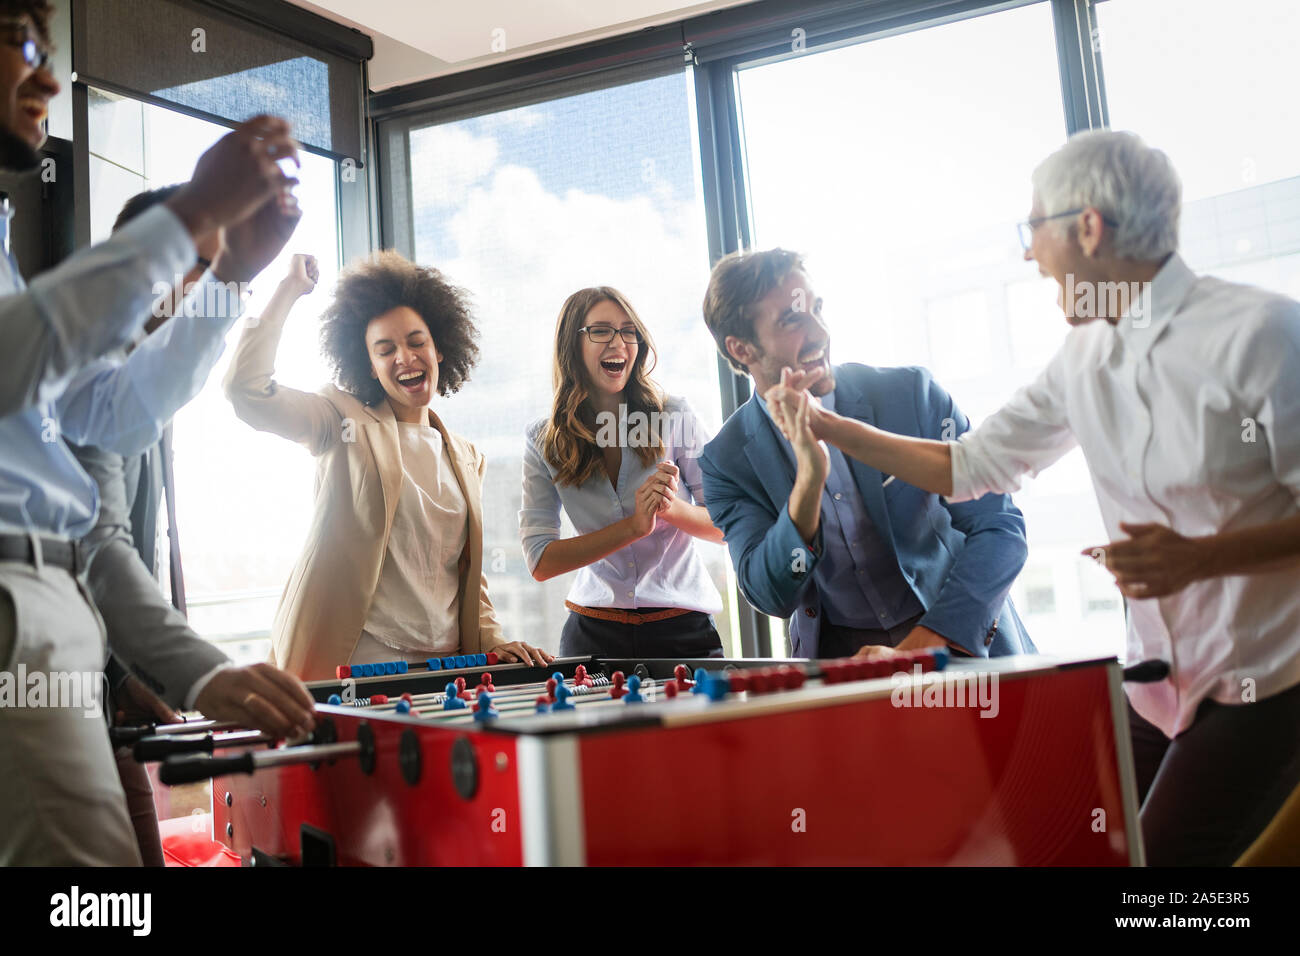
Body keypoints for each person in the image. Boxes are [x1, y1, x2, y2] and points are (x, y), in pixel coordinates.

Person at [764, 129, 1300, 865]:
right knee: (1063, 845)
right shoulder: (1085, 356)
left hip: (1269, 682)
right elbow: (973, 465)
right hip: (1157, 681)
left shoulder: (1260, 333)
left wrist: (1199, 559)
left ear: (1088, 227)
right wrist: (827, 427)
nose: (1026, 252)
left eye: (1034, 228)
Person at [0, 0, 316, 865]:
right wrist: (186, 221)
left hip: (51, 613)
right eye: (19, 39)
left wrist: (232, 274)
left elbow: (108, 413)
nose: (49, 76)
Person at [67, 184, 299, 865]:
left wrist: (130, 674)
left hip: (97, 691)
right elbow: (94, 551)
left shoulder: (142, 387)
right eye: (198, 269)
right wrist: (203, 676)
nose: (204, 293)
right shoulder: (83, 368)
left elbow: (123, 545)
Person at [224, 250, 550, 679]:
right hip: (359, 663)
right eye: (385, 350)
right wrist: (287, 290)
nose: (405, 357)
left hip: (445, 669)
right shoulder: (340, 420)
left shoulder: (467, 457)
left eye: (417, 342)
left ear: (440, 350)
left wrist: (495, 642)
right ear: (371, 369)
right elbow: (246, 391)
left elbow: (464, 575)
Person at [697, 249, 1033, 661]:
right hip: (845, 670)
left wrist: (926, 643)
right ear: (741, 348)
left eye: (817, 309)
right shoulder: (726, 461)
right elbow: (771, 594)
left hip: (959, 643)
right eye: (792, 320)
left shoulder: (912, 394)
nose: (819, 333)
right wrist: (807, 486)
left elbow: (998, 526)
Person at [520, 287, 725, 658]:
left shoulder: (675, 416)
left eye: (628, 331)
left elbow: (729, 525)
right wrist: (632, 528)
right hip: (592, 636)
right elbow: (540, 561)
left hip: (684, 633)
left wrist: (671, 509)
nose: (619, 342)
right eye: (601, 330)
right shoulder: (543, 439)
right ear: (572, 344)